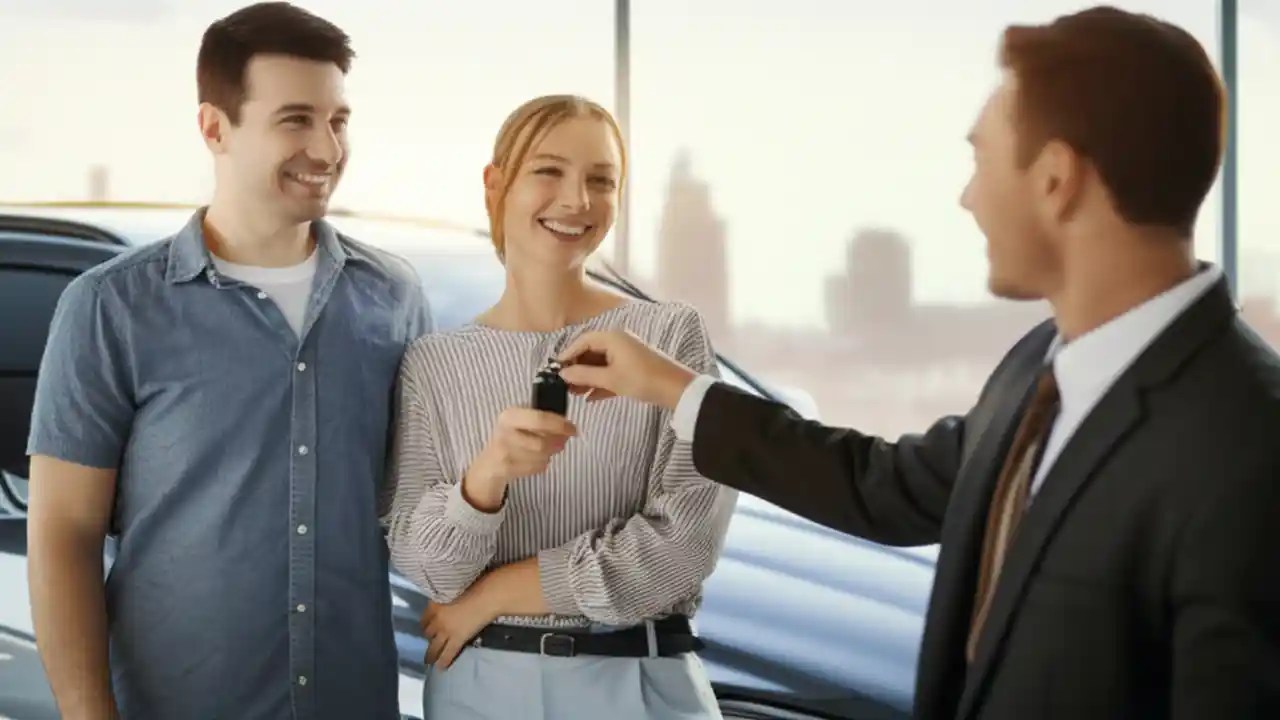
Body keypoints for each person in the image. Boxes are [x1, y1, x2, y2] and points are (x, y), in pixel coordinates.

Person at [555, 7, 1280, 720]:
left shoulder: (1249, 448)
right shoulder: (1042, 368)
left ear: (1057, 179)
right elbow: (888, 487)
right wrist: (674, 388)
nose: (968, 198)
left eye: (981, 160)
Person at [25, 3, 431, 719]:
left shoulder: (392, 297)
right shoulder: (111, 307)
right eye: (295, 120)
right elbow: (64, 536)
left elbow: (424, 503)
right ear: (215, 128)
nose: (327, 149)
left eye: (338, 121)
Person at [381, 94, 736, 720]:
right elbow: (432, 575)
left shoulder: (668, 337)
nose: (577, 200)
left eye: (602, 181)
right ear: (495, 186)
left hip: (642, 687)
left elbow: (681, 551)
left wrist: (499, 591)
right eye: (549, 171)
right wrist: (484, 480)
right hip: (480, 693)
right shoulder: (432, 364)